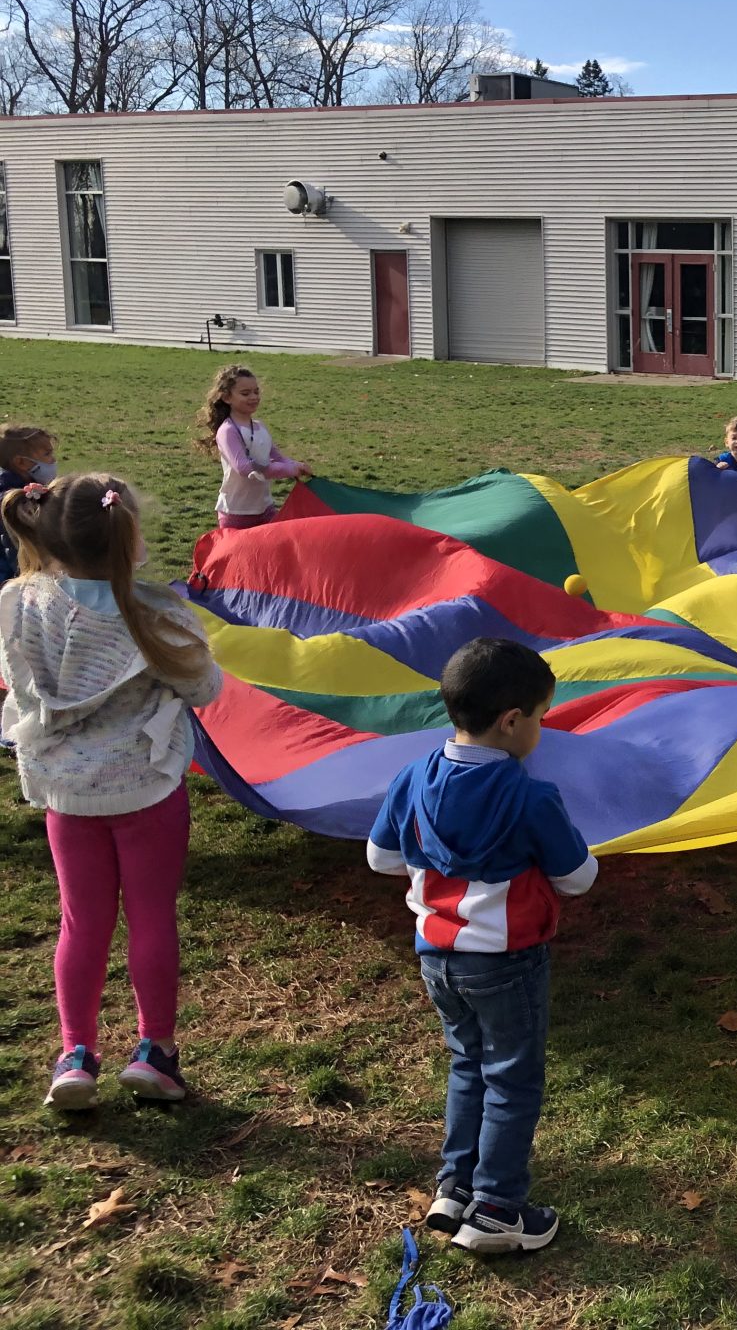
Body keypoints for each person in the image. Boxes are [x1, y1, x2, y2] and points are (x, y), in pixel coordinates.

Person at [367, 637, 598, 1255]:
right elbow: (577, 878)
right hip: (507, 961)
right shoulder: (530, 797)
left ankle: (455, 1187)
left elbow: (380, 858)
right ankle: (496, 1209)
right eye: (543, 716)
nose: (543, 728)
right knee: (513, 1079)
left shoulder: (413, 777)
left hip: (436, 957)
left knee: (467, 1063)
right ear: (512, 721)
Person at [0, 474, 224, 1110]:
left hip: (65, 791)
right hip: (146, 787)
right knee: (151, 916)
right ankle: (155, 1052)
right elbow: (205, 689)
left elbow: (17, 681)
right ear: (128, 536)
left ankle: (76, 1056)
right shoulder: (157, 613)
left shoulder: (19, 601)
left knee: (81, 920)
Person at [193, 364, 310, 529]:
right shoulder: (227, 431)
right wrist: (288, 470)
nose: (253, 397)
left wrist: (298, 466)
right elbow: (244, 468)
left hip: (265, 509)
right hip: (236, 514)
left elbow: (277, 457)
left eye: (256, 392)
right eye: (245, 393)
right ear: (226, 398)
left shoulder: (260, 427)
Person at [0, 423, 58, 584]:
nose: (53, 460)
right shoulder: (15, 503)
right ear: (21, 462)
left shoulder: (29, 489)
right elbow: (18, 552)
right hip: (12, 584)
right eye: (47, 454)